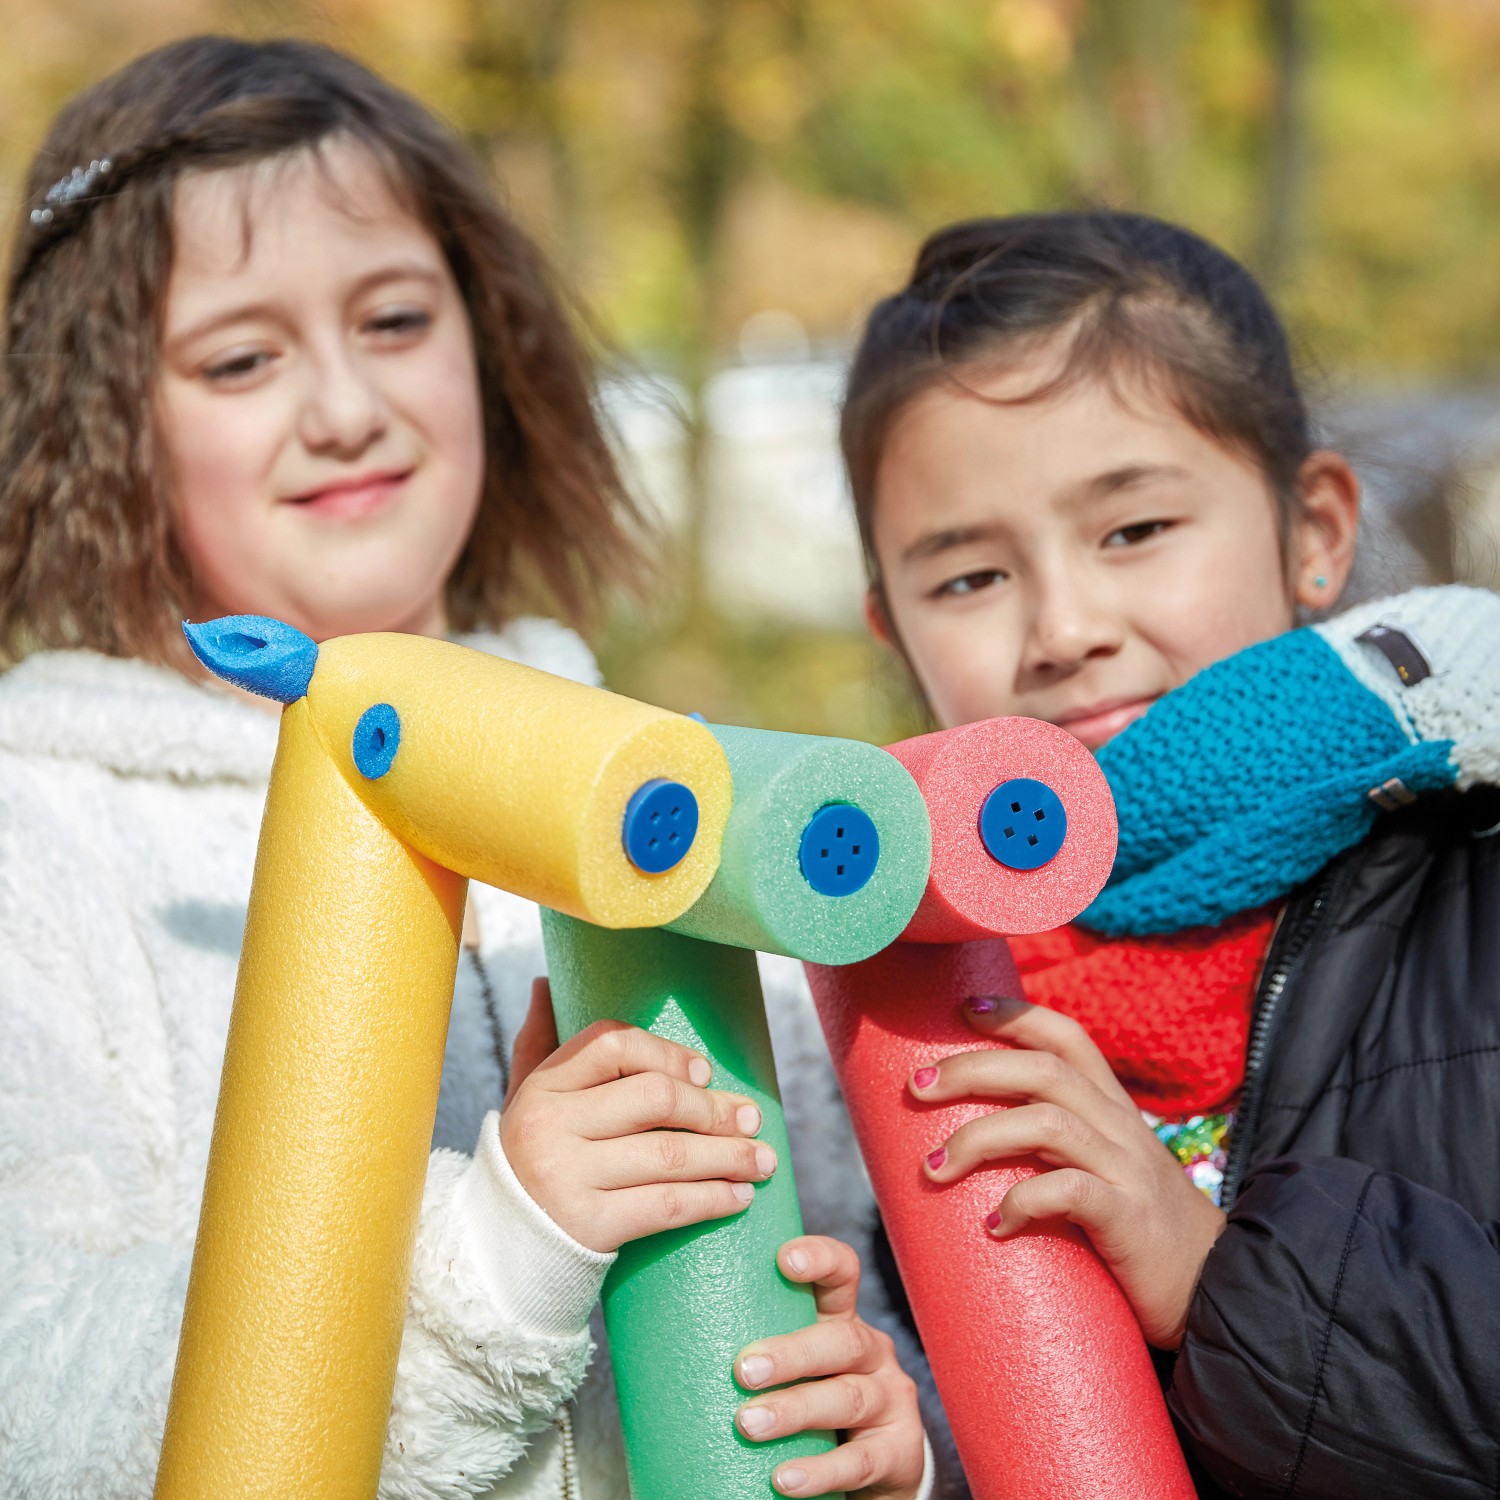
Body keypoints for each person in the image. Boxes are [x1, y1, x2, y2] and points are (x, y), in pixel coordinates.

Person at [0, 37, 929, 1500]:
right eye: (242, 357)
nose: (345, 410)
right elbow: (32, 1399)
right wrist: (501, 1248)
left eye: (392, 319)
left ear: (485, 342)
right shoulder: (40, 838)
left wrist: (883, 1432)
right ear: (108, 422)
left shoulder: (653, 786)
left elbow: (837, 1275)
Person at [840, 210, 1500, 1498]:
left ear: (1313, 532)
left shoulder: (1474, 881)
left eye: (1133, 530)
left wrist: (1214, 1277)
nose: (1065, 627)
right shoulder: (908, 1002)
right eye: (970, 578)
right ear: (895, 633)